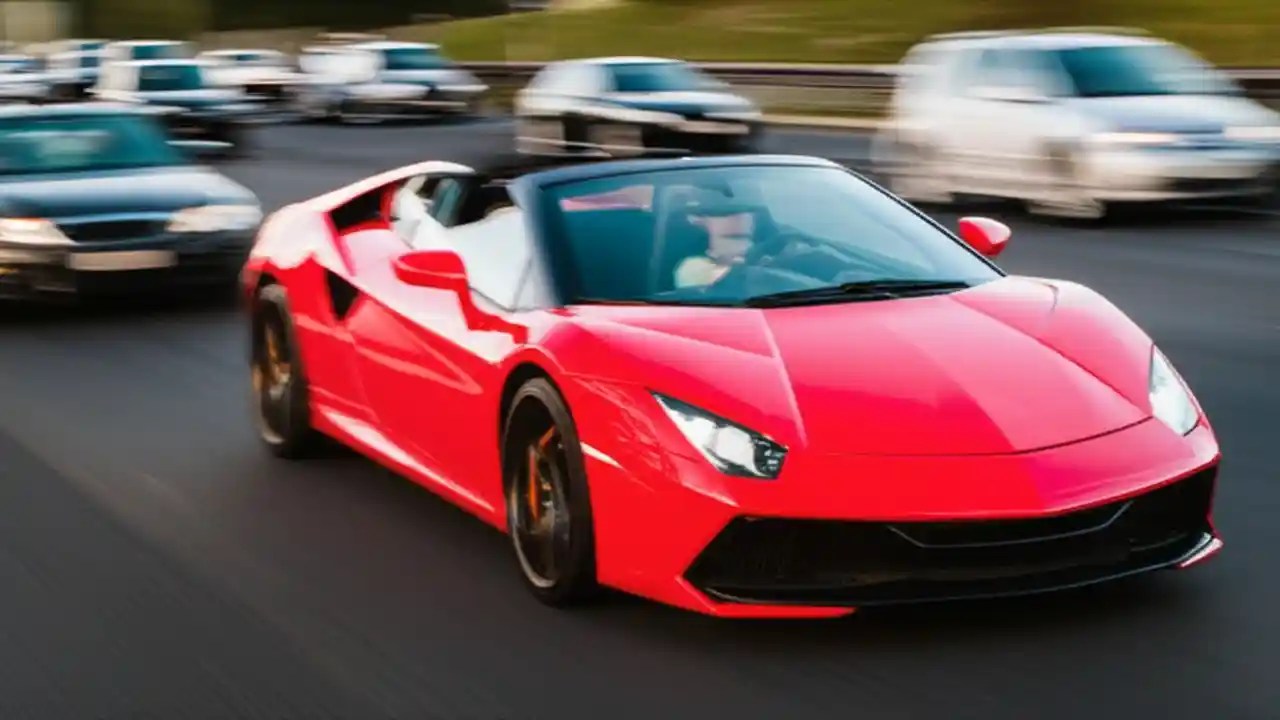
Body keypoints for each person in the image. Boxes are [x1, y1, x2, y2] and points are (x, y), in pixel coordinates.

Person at [673, 204, 757, 289]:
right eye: (733, 238)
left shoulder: (759, 258)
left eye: (745, 238)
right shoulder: (692, 268)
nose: (739, 218)